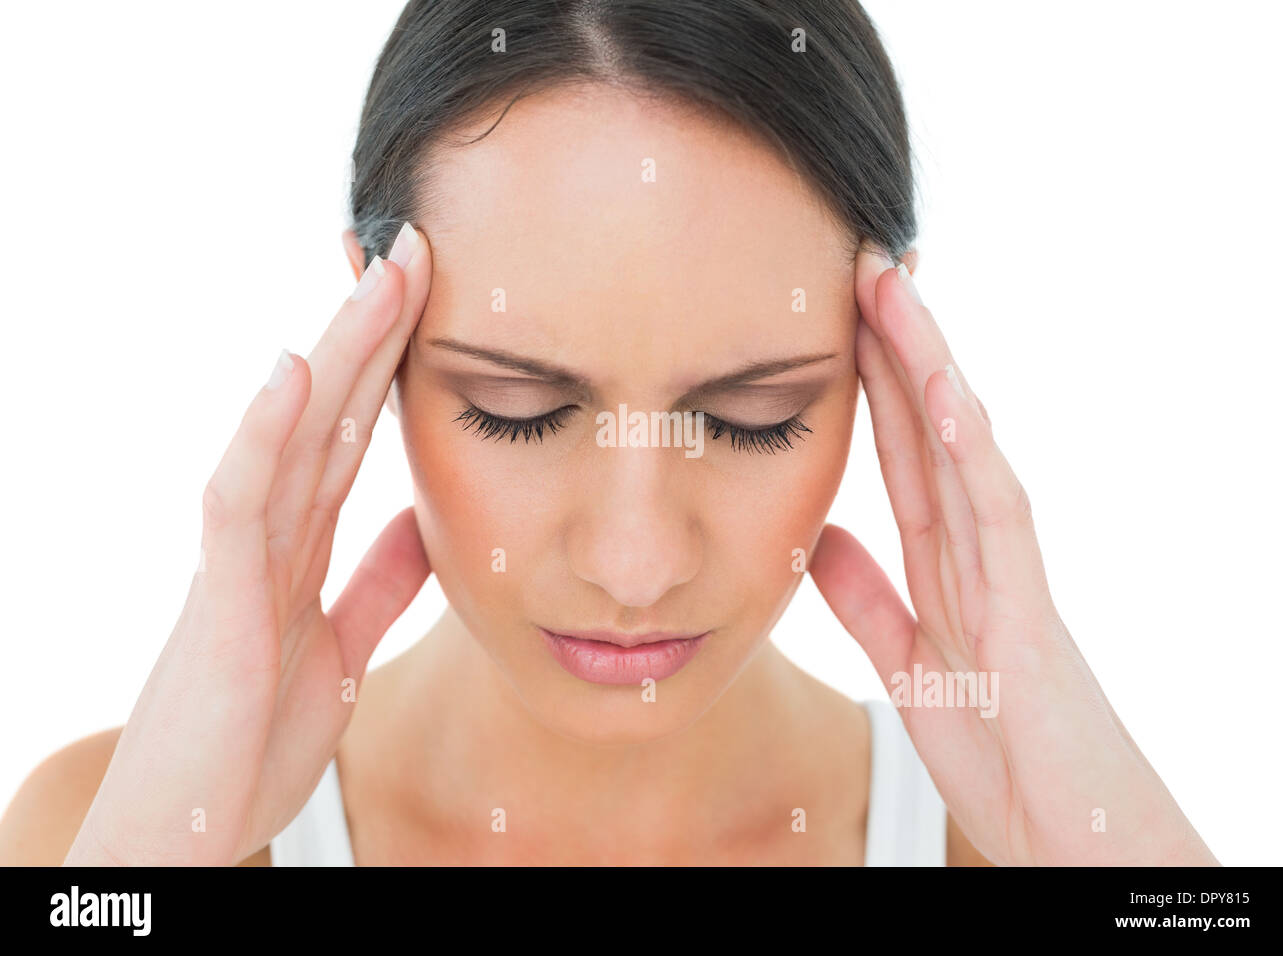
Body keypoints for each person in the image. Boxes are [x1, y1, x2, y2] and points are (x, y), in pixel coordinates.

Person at [0, 0, 1216, 866]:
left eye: (750, 417)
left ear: (886, 356)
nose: (635, 561)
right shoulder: (105, 843)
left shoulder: (995, 847)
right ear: (368, 340)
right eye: (517, 411)